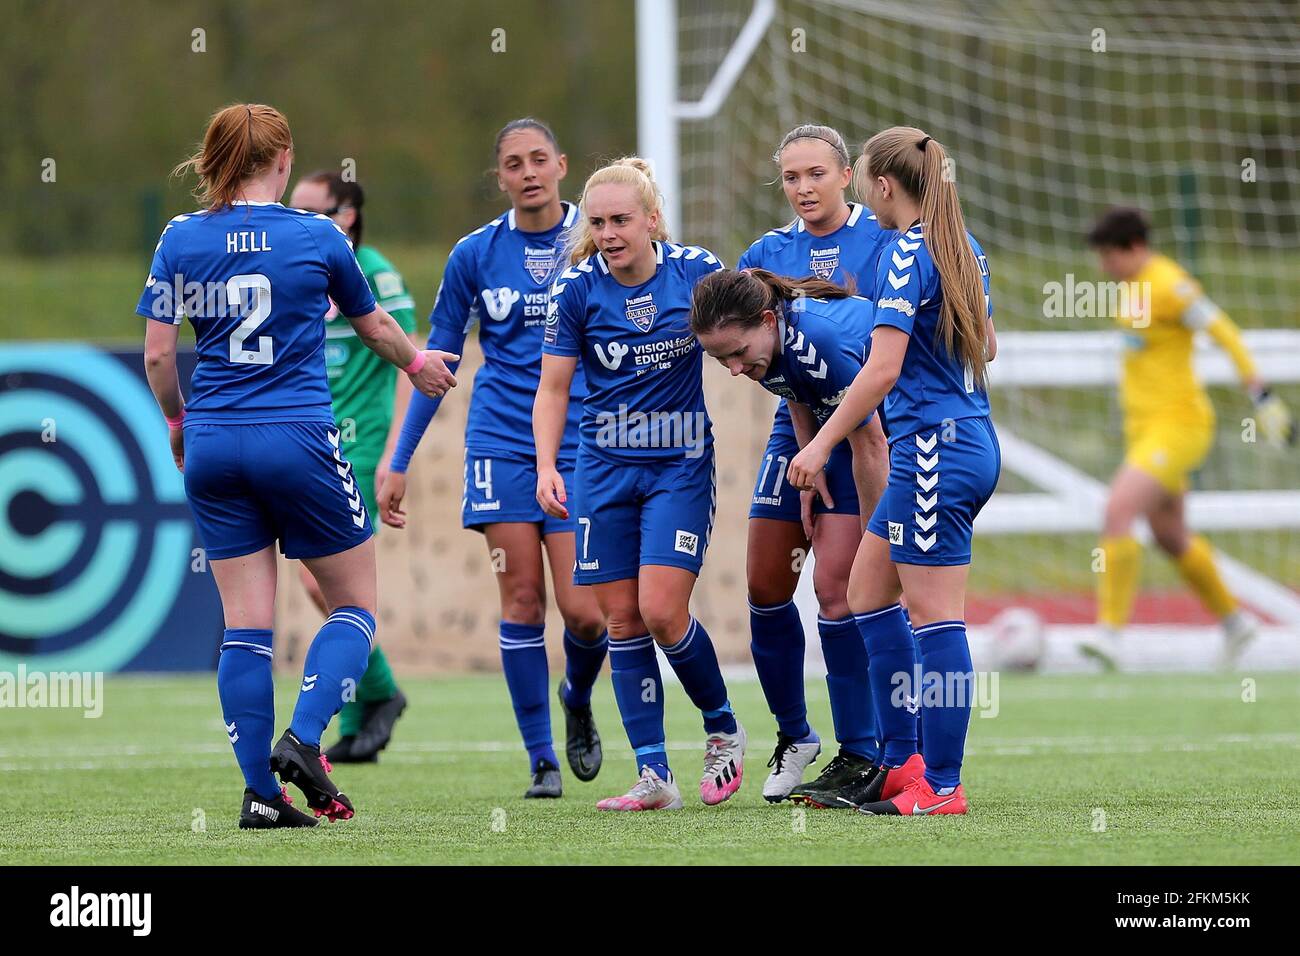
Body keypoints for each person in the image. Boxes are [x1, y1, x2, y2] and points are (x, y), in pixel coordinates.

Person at [139, 104, 457, 828]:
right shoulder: (317, 234)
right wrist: (421, 363)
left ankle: (260, 795)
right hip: (299, 438)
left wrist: (178, 421)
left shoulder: (179, 237)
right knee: (355, 604)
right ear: (281, 161)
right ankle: (306, 738)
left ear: (215, 158)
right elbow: (374, 324)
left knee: (245, 625)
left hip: (215, 441)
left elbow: (159, 355)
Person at [379, 119, 608, 799]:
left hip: (578, 444)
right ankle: (540, 758)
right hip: (502, 444)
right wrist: (400, 457)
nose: (529, 171)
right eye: (514, 163)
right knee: (523, 598)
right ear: (500, 177)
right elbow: (435, 364)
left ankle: (576, 696)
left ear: (562, 164)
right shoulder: (474, 255)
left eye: (540, 159)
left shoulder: (600, 240)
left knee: (587, 613)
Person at [789, 127, 998, 817]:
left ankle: (943, 783)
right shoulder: (961, 246)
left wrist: (820, 445)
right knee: (867, 592)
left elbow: (880, 369)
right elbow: (986, 347)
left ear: (880, 185)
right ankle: (904, 760)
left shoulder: (907, 250)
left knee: (937, 616)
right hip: (958, 440)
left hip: (937, 449)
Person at [536, 157, 745, 812]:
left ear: (652, 219)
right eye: (597, 222)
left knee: (661, 610)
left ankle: (723, 730)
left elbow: (748, 330)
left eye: (621, 219)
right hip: (600, 470)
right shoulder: (575, 291)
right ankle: (654, 776)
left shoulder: (697, 271)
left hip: (679, 466)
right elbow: (553, 387)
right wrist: (547, 465)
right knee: (621, 620)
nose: (608, 232)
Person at [734, 124, 892, 805]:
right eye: (791, 177)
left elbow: (883, 359)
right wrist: (805, 445)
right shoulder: (767, 253)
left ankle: (868, 749)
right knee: (766, 581)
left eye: (815, 175)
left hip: (865, 432)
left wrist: (836, 443)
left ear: (847, 175)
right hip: (796, 428)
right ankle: (796, 735)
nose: (802, 188)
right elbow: (779, 366)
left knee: (837, 589)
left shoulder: (884, 245)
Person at [1078, 207, 1292, 669]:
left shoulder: (1170, 284)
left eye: (1109, 256)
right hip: (1147, 432)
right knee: (1170, 534)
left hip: (1180, 426)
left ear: (1135, 248)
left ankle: (1111, 634)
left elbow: (1225, 333)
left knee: (1117, 509)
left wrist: (1263, 396)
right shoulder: (1129, 290)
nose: (1103, 267)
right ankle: (1236, 623)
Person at [288, 171, 415, 763]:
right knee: (320, 581)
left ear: (348, 215)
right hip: (304, 444)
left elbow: (408, 357)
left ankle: (381, 690)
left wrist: (397, 454)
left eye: (315, 211)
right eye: (296, 210)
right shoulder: (294, 270)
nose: (298, 221)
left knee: (325, 581)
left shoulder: (375, 273)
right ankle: (368, 705)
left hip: (355, 447)